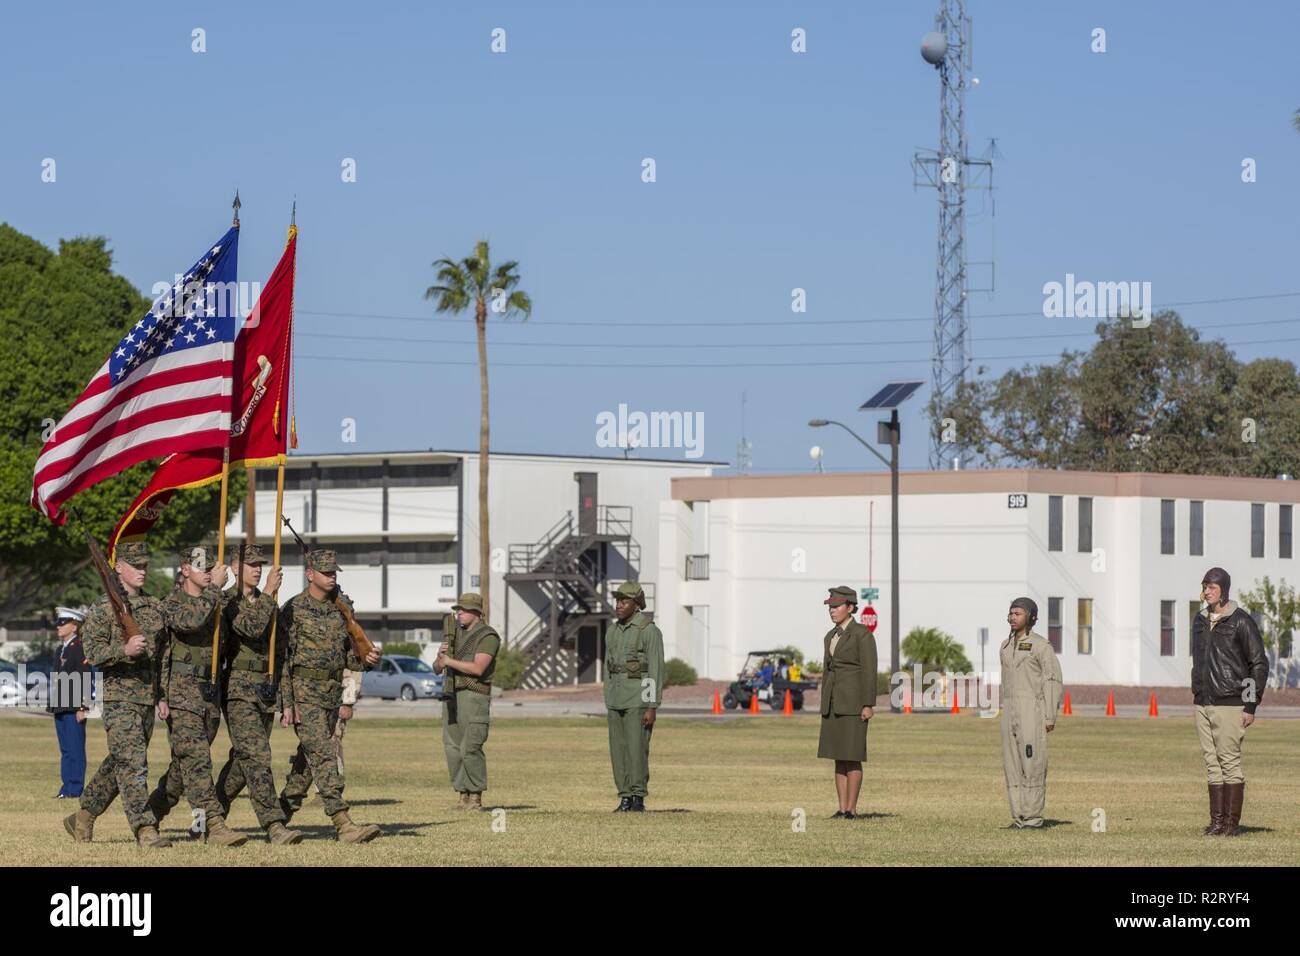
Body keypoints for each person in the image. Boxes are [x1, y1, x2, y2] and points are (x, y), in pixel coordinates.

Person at [64, 541, 170, 848]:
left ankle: (82, 816)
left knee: (120, 763)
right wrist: (123, 650)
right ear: (118, 567)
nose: (142, 570)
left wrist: (161, 694)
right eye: (135, 565)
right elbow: (92, 653)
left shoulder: (154, 607)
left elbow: (162, 656)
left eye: (145, 565)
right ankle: (145, 829)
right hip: (119, 698)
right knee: (134, 763)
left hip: (146, 698)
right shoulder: (101, 608)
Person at [277, 548, 382, 843]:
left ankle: (277, 816)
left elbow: (348, 656)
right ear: (310, 575)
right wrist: (288, 702)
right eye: (325, 572)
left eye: (334, 571)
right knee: (324, 755)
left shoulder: (340, 610)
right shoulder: (293, 609)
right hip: (304, 695)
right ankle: (343, 823)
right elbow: (282, 660)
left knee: (307, 764)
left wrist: (367, 660)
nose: (331, 576)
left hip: (331, 695)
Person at [146, 546, 246, 847]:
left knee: (182, 770)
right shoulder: (173, 603)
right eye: (200, 566)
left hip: (209, 694)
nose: (207, 571)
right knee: (200, 762)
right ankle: (213, 826)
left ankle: (151, 815)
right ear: (185, 570)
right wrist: (160, 695)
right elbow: (189, 622)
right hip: (181, 694)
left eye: (211, 567)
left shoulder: (216, 602)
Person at [213, 545, 303, 845]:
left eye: (260, 564)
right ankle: (274, 824)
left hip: (265, 690)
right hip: (238, 689)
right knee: (259, 756)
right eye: (250, 564)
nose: (257, 568)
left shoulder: (269, 604)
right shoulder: (228, 601)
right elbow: (250, 628)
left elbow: (280, 656)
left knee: (244, 761)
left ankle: (208, 815)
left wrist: (285, 699)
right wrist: (268, 592)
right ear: (235, 568)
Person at [1192, 567, 1268, 837]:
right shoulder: (1199, 621)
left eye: (1211, 587)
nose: (1206, 591)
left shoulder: (1241, 621)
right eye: (1204, 586)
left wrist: (1250, 705)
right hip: (1202, 702)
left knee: (1229, 762)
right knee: (1211, 763)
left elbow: (1257, 664)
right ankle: (1217, 822)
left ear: (1223, 590)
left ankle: (1231, 825)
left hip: (1231, 702)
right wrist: (1198, 694)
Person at [999, 597, 1063, 829]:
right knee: (1012, 765)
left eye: (1018, 613)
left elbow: (1052, 679)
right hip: (1009, 712)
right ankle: (1018, 817)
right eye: (1011, 613)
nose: (1012, 617)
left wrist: (1049, 715)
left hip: (1031, 712)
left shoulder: (1040, 646)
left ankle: (1033, 817)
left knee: (1032, 764)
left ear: (1031, 617)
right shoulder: (1005, 647)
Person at [434, 593, 500, 811]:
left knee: (470, 747)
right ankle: (462, 793)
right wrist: (440, 657)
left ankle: (475, 796)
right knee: (452, 747)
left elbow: (478, 668)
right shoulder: (454, 635)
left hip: (473, 696)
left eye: (464, 609)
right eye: (458, 609)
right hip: (451, 694)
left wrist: (450, 660)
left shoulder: (487, 636)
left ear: (477, 612)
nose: (459, 612)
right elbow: (437, 668)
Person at [603, 581, 664, 812]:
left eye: (624, 601)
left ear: (636, 604)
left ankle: (638, 798)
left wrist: (651, 705)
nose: (618, 605)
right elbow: (608, 668)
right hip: (616, 698)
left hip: (638, 699)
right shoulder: (612, 631)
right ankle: (624, 796)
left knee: (636, 749)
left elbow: (655, 670)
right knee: (618, 751)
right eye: (617, 600)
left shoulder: (648, 631)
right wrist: (608, 696)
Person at [818, 586, 877, 819]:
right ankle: (842, 808)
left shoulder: (862, 634)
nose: (832, 611)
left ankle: (852, 809)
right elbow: (826, 671)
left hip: (853, 704)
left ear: (850, 607)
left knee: (852, 757)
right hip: (833, 704)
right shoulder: (830, 636)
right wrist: (825, 702)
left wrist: (868, 704)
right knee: (838, 757)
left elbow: (869, 671)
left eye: (836, 606)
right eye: (830, 607)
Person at [49, 606, 89, 799]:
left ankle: (75, 788)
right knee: (65, 749)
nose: (59, 627)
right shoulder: (60, 650)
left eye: (63, 623)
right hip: (61, 704)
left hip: (74, 706)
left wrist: (83, 706)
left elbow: (84, 678)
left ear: (74, 626)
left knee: (75, 748)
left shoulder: (79, 648)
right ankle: (66, 788)